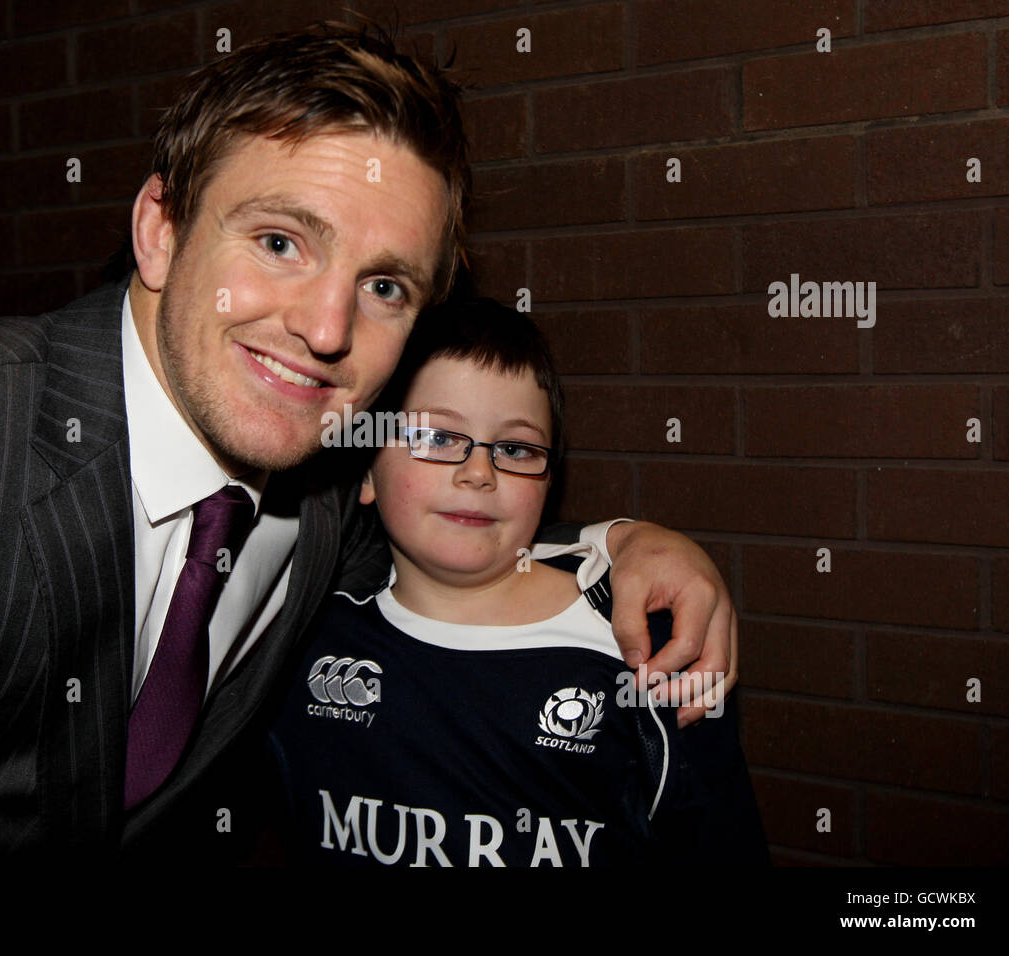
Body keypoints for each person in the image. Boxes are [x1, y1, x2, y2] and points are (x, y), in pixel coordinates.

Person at [0, 22, 736, 857]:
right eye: (279, 241)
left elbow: (458, 520)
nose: (327, 326)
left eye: (384, 285)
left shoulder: (328, 493)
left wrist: (625, 540)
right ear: (160, 228)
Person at [263, 299, 766, 866]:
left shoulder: (645, 651)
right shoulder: (296, 633)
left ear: (549, 480)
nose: (479, 472)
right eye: (436, 437)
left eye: (515, 449)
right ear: (365, 471)